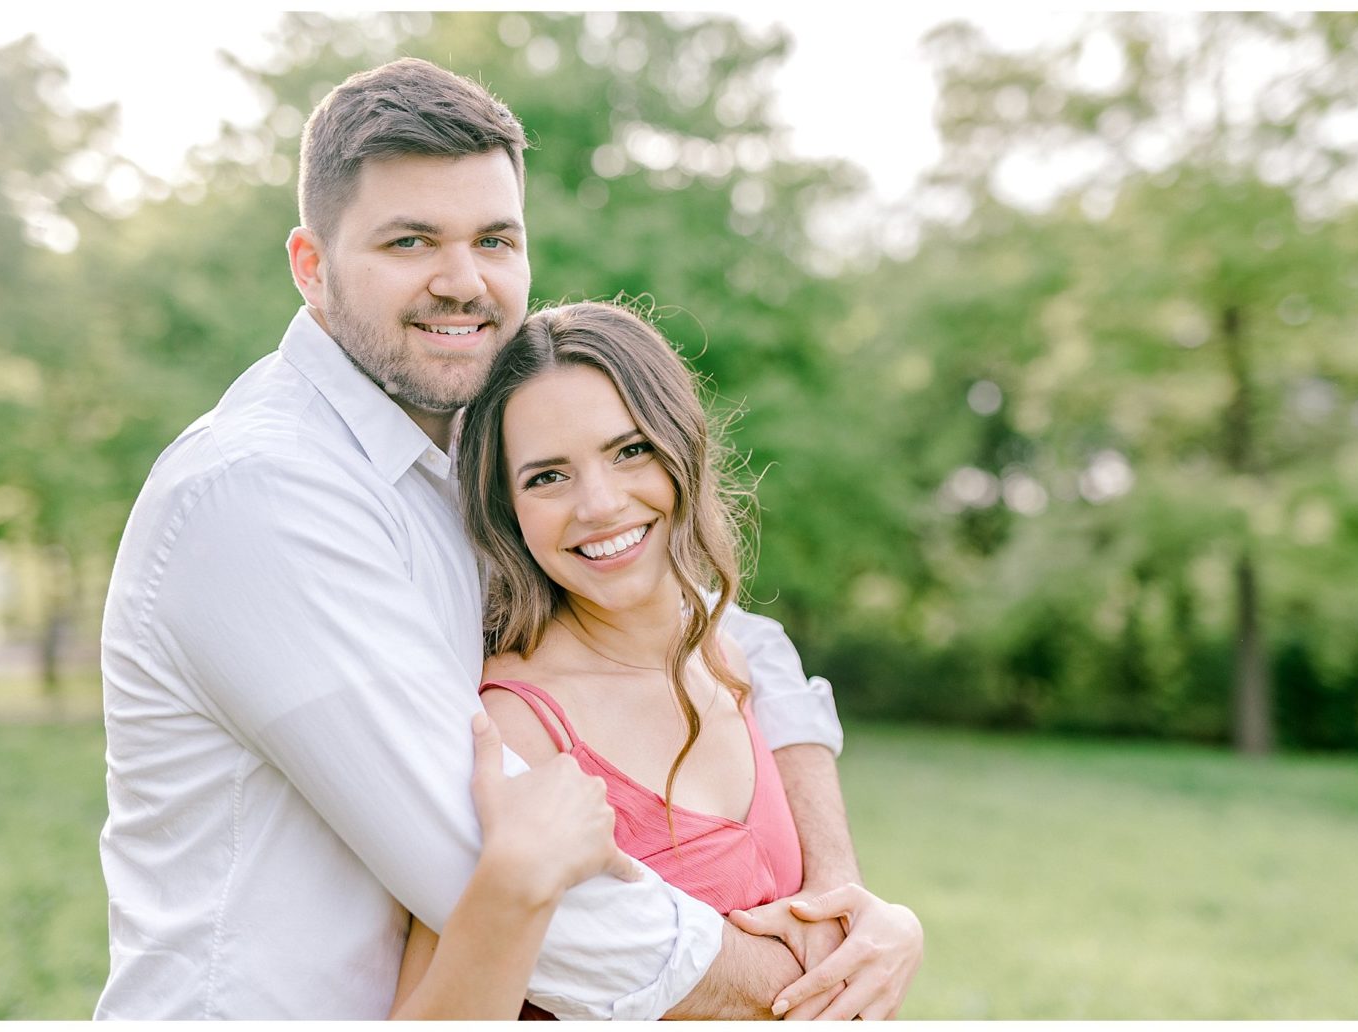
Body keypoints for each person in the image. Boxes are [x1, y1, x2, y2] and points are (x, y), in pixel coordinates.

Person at [96, 56, 919, 1020]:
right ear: (311, 267)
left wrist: (846, 898)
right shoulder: (262, 492)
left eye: (494, 238)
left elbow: (734, 639)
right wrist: (813, 986)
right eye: (410, 241)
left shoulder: (464, 464)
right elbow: (495, 868)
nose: (463, 280)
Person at [388, 300, 921, 1021]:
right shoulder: (517, 729)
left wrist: (890, 928)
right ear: (506, 509)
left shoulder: (735, 663)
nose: (601, 504)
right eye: (548, 477)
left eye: (630, 449)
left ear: (682, 447)